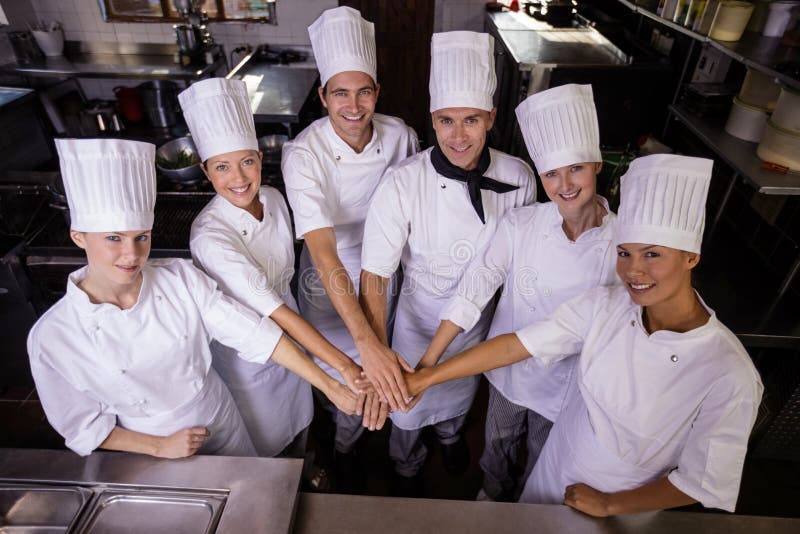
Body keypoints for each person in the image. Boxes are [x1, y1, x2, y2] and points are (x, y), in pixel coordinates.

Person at [405, 154, 764, 515]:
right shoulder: (608, 306)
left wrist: (610, 503)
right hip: (552, 469)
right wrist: (427, 376)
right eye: (625, 253)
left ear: (691, 257)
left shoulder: (730, 374)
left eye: (653, 254)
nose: (635, 271)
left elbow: (701, 480)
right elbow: (518, 344)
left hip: (617, 505)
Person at [27, 138, 358, 459]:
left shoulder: (179, 278)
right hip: (152, 446)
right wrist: (158, 447)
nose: (131, 254)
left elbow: (255, 333)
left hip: (221, 418)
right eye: (113, 238)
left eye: (141, 237)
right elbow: (82, 427)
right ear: (78, 237)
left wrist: (330, 384)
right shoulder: (53, 336)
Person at [417, 84, 619, 501]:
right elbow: (474, 288)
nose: (564, 185)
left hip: (570, 382)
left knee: (548, 453)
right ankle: (492, 496)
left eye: (575, 169)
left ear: (597, 164)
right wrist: (428, 362)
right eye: (551, 174)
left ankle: (534, 509)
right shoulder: (521, 225)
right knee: (498, 442)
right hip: (509, 374)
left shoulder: (624, 243)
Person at [360, 31, 535, 492]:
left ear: (491, 117)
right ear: (432, 121)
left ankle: (452, 436)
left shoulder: (518, 177)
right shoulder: (403, 183)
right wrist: (378, 352)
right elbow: (375, 274)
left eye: (472, 120)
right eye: (446, 121)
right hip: (416, 328)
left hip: (479, 329)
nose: (458, 136)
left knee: (459, 397)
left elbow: (514, 266)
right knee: (407, 410)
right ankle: (406, 465)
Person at [180, 77, 375, 460]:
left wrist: (340, 364)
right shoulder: (210, 237)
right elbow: (274, 312)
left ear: (260, 158)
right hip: (253, 357)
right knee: (268, 440)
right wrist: (344, 365)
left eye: (247, 162)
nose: (239, 179)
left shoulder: (272, 198)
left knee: (301, 418)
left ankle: (308, 468)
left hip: (294, 331)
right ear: (205, 171)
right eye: (223, 167)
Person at [282, 6, 418, 483]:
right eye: (341, 93)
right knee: (345, 370)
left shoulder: (402, 135)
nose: (354, 106)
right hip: (327, 279)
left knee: (382, 358)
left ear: (377, 92)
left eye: (364, 91)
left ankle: (366, 432)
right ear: (323, 96)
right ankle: (343, 445)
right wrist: (366, 339)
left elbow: (414, 207)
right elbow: (322, 251)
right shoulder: (304, 154)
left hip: (386, 269)